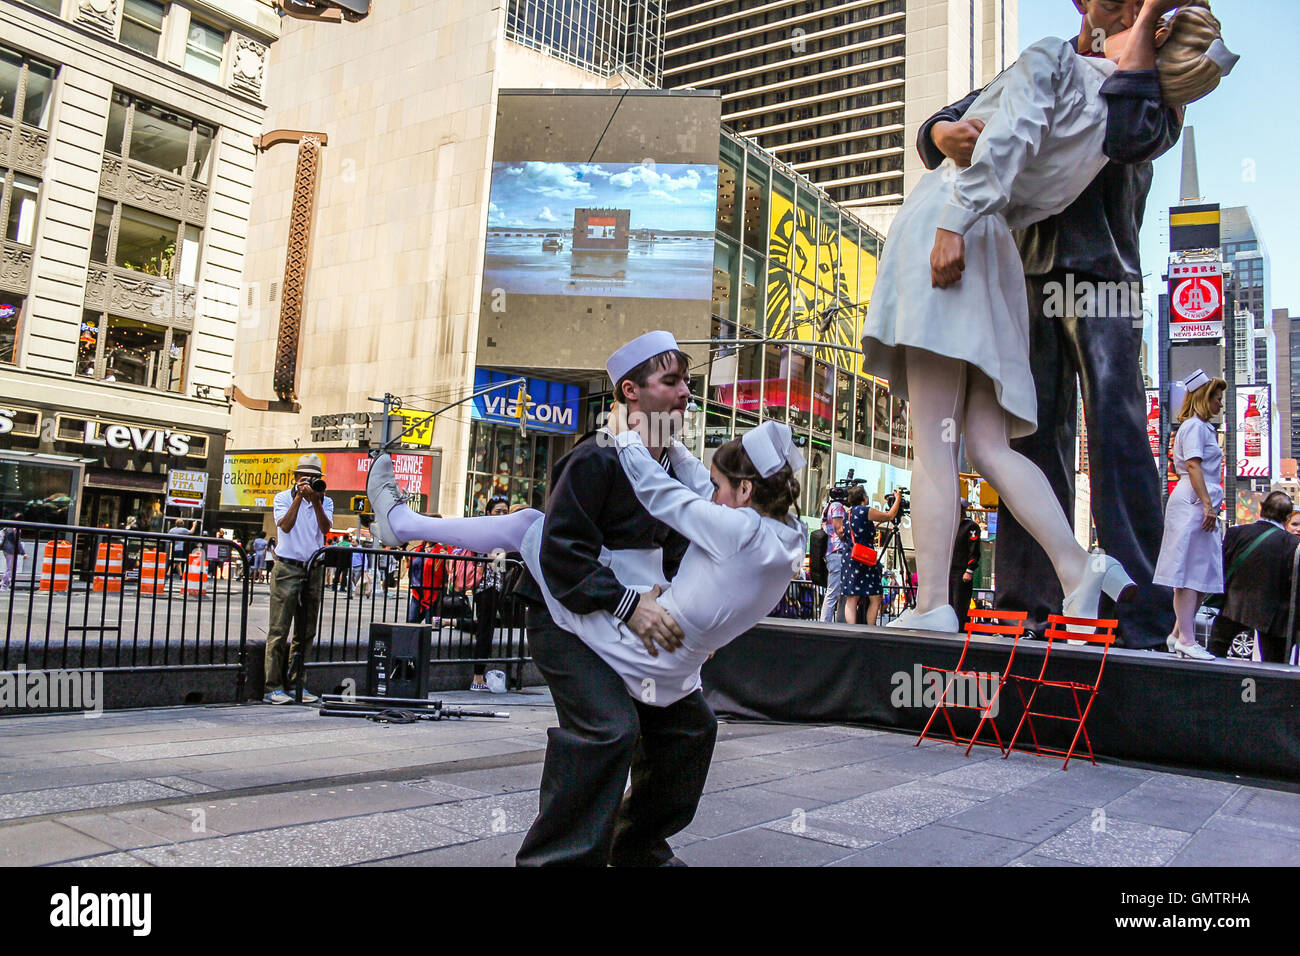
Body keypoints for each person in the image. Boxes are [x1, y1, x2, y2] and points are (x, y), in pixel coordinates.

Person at [861, 1, 1232, 633]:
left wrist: (1142, 30)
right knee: (1024, 433)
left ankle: (1133, 604)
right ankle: (1038, 595)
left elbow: (1127, 133)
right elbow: (970, 118)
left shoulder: (1152, 84)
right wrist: (936, 134)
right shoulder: (1062, 55)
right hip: (1016, 264)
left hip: (1093, 266)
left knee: (1113, 430)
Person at [367, 415, 807, 848]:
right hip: (678, 660)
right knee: (680, 726)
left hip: (640, 643)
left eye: (719, 486)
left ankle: (402, 524)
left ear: (746, 491)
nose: (710, 494)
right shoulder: (789, 534)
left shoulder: (738, 530)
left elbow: (663, 494)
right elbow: (694, 485)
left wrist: (628, 436)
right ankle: (633, 846)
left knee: (529, 527)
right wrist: (670, 443)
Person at [372, 331, 726, 867]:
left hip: (635, 619)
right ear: (631, 390)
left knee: (689, 728)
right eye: (671, 382)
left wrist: (693, 622)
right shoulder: (594, 459)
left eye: (686, 383)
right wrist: (631, 603)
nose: (685, 395)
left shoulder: (678, 469)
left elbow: (678, 554)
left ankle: (637, 849)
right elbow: (562, 554)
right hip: (566, 620)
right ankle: (556, 862)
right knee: (609, 729)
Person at [1154, 371, 1227, 660]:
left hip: (1196, 500)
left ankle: (1177, 634)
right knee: (1188, 572)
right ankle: (1185, 637)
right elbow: (1194, 466)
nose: (1220, 404)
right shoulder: (1195, 427)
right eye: (1217, 398)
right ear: (1204, 399)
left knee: (1198, 572)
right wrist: (1207, 504)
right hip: (1194, 502)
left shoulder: (1196, 427)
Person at [264, 454, 332, 705]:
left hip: (313, 568)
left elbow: (325, 529)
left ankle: (296, 685)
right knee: (279, 629)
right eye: (306, 477)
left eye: (315, 478)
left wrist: (315, 502)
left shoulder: (325, 500)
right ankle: (272, 687)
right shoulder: (282, 497)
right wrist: (297, 498)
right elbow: (285, 526)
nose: (310, 482)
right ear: (295, 477)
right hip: (287, 568)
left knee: (306, 632)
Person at [1205, 491, 1299, 663]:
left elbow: (1221, 567)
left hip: (1234, 606)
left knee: (1215, 655)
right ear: (1286, 517)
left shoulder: (1236, 533)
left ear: (1262, 509)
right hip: (1273, 617)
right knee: (1273, 668)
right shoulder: (1292, 544)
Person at [841, 485, 902, 626]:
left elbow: (859, 531)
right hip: (865, 559)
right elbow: (890, 516)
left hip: (850, 557)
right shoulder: (865, 510)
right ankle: (871, 627)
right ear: (863, 497)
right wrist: (898, 498)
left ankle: (851, 629)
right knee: (875, 597)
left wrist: (877, 523)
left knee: (852, 598)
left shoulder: (848, 514)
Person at [470, 496, 511, 691]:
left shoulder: (498, 534)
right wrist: (502, 554)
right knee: (485, 631)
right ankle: (477, 677)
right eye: (498, 511)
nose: (502, 515)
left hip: (493, 587)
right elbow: (496, 564)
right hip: (486, 588)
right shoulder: (489, 533)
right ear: (488, 513)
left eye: (505, 512)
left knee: (485, 628)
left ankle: (479, 675)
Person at [950, 500, 982, 630]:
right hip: (950, 569)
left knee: (959, 603)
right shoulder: (951, 525)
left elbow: (973, 549)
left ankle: (959, 628)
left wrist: (969, 569)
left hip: (961, 570)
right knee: (949, 602)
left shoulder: (970, 526)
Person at [819, 494, 847, 623]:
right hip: (837, 553)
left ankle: (839, 624)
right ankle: (824, 624)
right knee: (833, 593)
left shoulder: (828, 507)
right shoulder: (837, 506)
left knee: (841, 593)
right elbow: (840, 530)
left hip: (832, 554)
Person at [1, 523, 25, 590]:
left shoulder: (6, 529)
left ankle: (5, 584)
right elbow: (17, 542)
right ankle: (3, 585)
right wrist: (23, 553)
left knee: (10, 568)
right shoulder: (14, 531)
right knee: (10, 568)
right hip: (10, 551)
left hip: (5, 550)